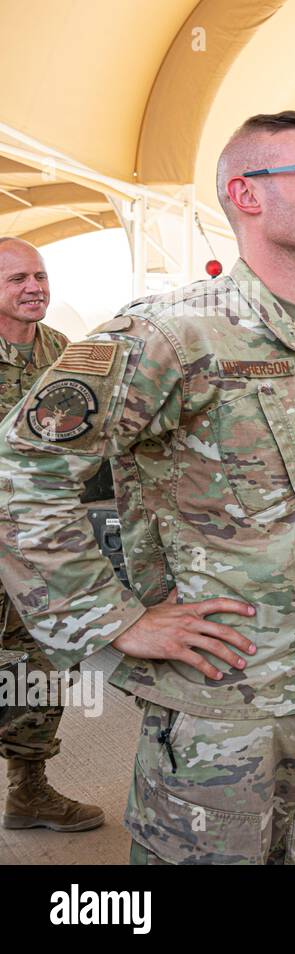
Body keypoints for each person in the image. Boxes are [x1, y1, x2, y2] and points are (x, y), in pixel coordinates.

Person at [0, 110, 295, 864]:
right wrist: (110, 621)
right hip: (217, 718)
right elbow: (20, 470)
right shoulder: (171, 333)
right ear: (246, 194)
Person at [0, 237, 103, 832]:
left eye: (39, 275)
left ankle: (28, 790)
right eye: (18, 278)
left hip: (42, 543)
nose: (35, 286)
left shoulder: (65, 354)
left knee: (40, 664)